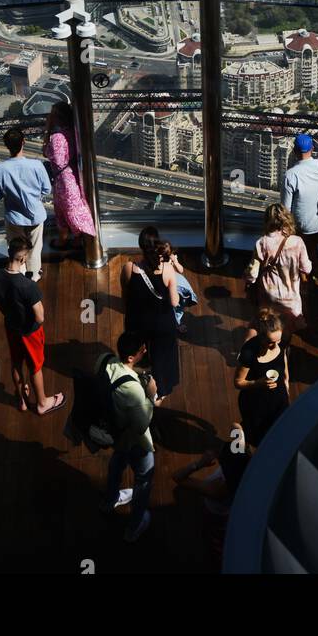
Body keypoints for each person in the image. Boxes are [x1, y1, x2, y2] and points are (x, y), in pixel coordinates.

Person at [0, 233, 65, 415]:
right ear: (22, 258)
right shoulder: (28, 286)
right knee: (35, 367)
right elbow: (40, 318)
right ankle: (42, 403)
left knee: (16, 362)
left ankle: (22, 399)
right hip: (29, 332)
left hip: (11, 326)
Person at [100, 330, 156, 544]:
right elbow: (142, 424)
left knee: (117, 462)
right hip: (134, 439)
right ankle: (134, 526)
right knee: (143, 479)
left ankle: (110, 500)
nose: (145, 351)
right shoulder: (133, 389)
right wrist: (150, 395)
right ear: (131, 357)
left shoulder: (104, 360)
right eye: (142, 350)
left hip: (114, 431)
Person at [173, 424, 250, 566]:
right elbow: (236, 426)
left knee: (216, 538)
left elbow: (178, 477)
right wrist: (238, 441)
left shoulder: (218, 489)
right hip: (234, 507)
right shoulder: (242, 465)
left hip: (217, 515)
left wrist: (200, 464)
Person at [121, 237, 180, 402]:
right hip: (162, 322)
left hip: (138, 320)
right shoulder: (167, 269)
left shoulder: (129, 268)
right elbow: (174, 302)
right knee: (163, 356)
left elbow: (125, 297)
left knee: (139, 355)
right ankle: (160, 392)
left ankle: (134, 385)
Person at [0, 128, 50, 282]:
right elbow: (47, 189)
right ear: (24, 142)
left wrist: (9, 192)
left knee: (16, 249)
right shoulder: (37, 165)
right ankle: (34, 276)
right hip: (35, 215)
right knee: (35, 249)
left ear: (6, 146)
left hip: (14, 218)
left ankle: (18, 276)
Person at [247, 203, 312, 341]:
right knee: (287, 328)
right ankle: (283, 350)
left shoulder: (262, 243)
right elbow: (307, 269)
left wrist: (248, 281)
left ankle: (265, 348)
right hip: (290, 297)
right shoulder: (297, 242)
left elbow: (252, 274)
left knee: (268, 325)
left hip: (268, 294)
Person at [281, 132, 318, 280]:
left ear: (294, 151)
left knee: (301, 254)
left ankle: (303, 281)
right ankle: (314, 273)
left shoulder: (291, 175)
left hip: (301, 228)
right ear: (312, 149)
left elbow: (285, 209)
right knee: (312, 249)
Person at [43, 101, 96, 249]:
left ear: (56, 117)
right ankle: (74, 240)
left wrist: (48, 131)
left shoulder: (57, 137)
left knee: (67, 210)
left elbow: (56, 159)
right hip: (72, 175)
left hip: (64, 180)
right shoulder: (72, 131)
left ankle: (68, 240)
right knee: (66, 209)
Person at [234, 309, 290, 448]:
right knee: (260, 438)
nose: (276, 345)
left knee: (281, 431)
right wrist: (257, 383)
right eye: (271, 342)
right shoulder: (249, 352)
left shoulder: (279, 343)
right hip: (256, 402)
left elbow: (284, 362)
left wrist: (286, 383)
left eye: (279, 341)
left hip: (278, 398)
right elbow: (238, 382)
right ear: (261, 337)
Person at [138, 225, 197, 329]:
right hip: (172, 285)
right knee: (177, 307)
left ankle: (176, 322)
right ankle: (177, 323)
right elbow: (174, 302)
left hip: (152, 303)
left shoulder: (136, 267)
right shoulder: (167, 267)